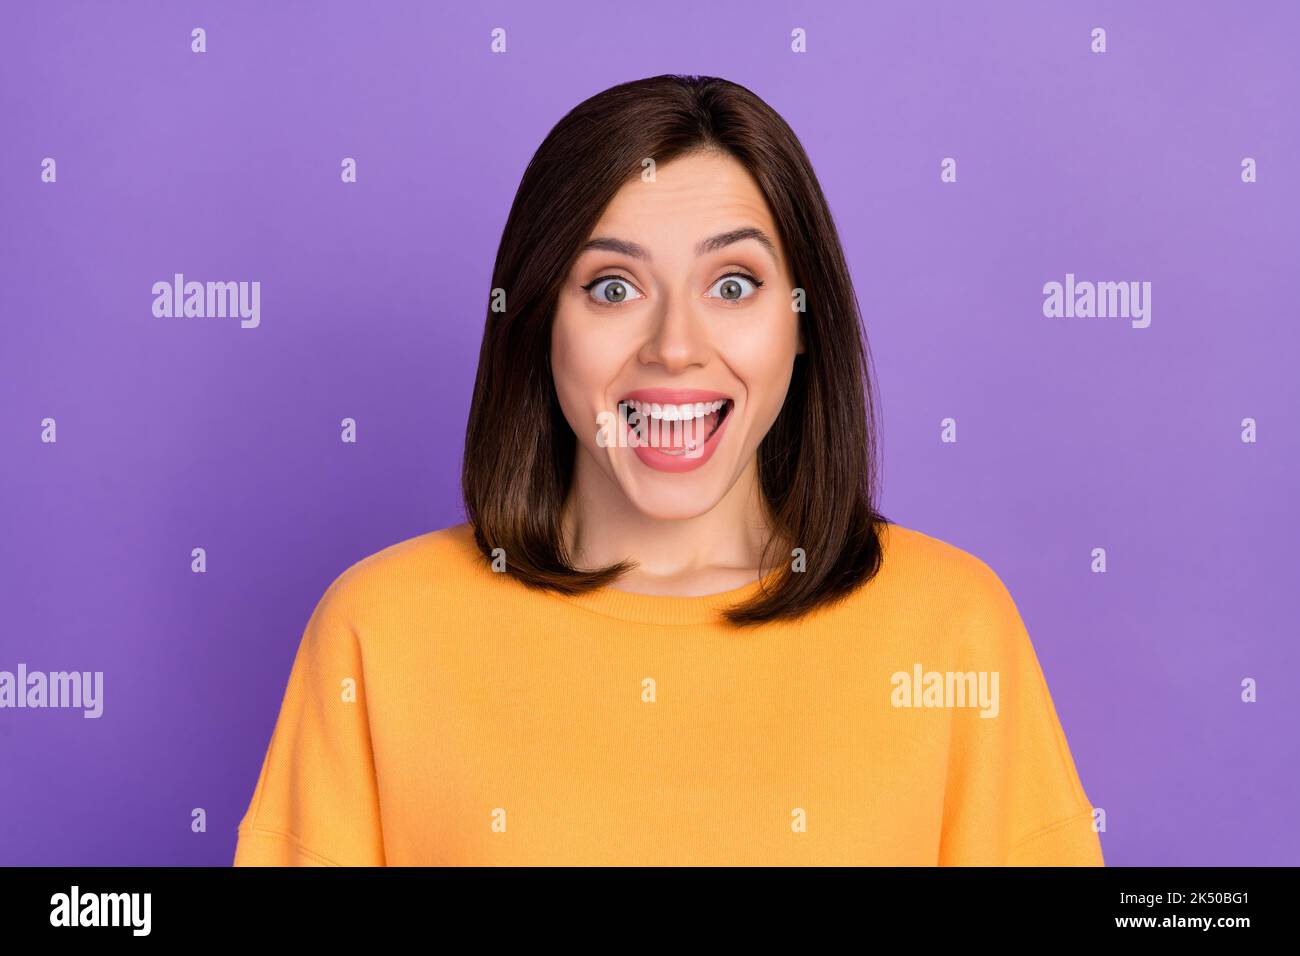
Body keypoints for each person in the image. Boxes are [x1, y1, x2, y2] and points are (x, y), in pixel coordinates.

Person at [233, 74, 1103, 866]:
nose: (676, 348)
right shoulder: (380, 631)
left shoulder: (951, 628)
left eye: (733, 284)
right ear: (538, 322)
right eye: (613, 287)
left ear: (803, 321)